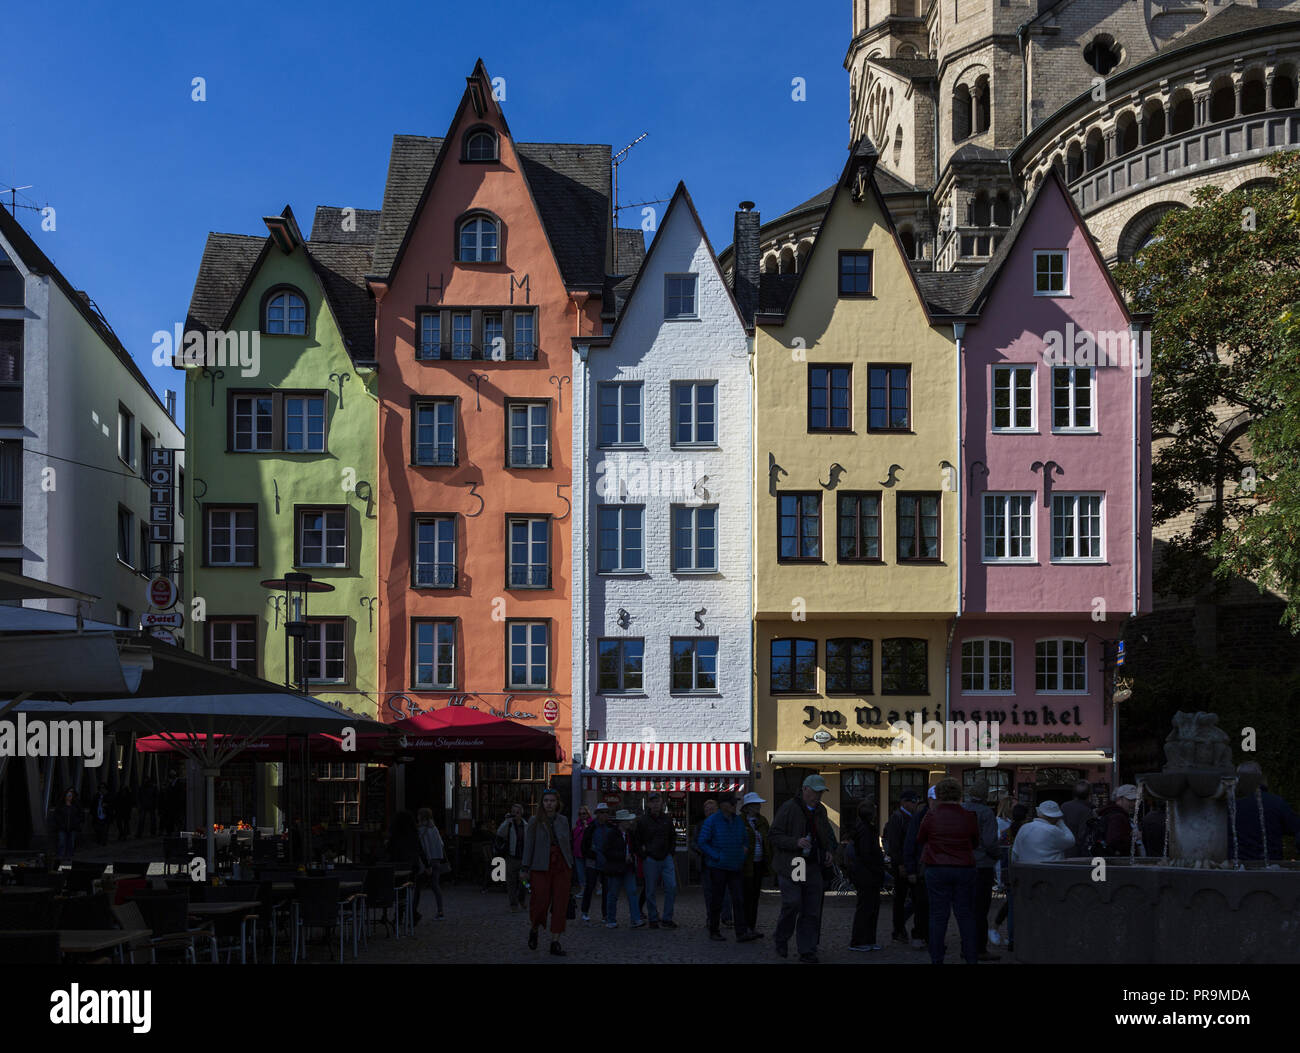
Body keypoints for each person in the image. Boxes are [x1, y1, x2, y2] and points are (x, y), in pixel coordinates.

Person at [769, 773, 838, 963]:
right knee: (792, 903)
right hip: (794, 863)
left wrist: (829, 851)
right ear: (805, 790)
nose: (818, 796)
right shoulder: (789, 808)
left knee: (811, 909)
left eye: (821, 793)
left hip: (813, 864)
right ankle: (781, 938)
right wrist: (795, 842)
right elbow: (774, 835)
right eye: (815, 792)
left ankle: (807, 950)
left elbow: (827, 836)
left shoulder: (821, 811)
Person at [917, 777, 979, 966]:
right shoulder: (969, 816)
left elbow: (921, 839)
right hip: (964, 868)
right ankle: (970, 957)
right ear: (958, 794)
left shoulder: (931, 815)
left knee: (938, 916)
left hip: (937, 867)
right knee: (966, 915)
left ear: (940, 795)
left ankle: (937, 958)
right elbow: (975, 842)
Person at [696, 793, 756, 943]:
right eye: (732, 803)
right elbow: (702, 842)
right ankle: (714, 930)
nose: (735, 805)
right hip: (718, 867)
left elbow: (745, 840)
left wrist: (743, 854)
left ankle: (741, 932)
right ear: (723, 805)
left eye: (735, 803)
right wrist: (717, 856)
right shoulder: (712, 821)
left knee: (738, 899)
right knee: (717, 899)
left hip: (735, 866)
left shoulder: (737, 821)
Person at [523, 789, 574, 956]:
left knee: (560, 904)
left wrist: (571, 865)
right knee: (540, 902)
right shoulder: (534, 821)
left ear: (557, 803)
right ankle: (535, 928)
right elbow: (528, 845)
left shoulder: (563, 820)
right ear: (542, 803)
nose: (549, 804)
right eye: (546, 801)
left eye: (552, 800)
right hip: (540, 866)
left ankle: (555, 941)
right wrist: (525, 867)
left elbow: (567, 845)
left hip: (561, 866)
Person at [961, 776, 1001, 961]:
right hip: (982, 865)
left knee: (965, 909)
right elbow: (990, 841)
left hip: (961, 864)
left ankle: (965, 946)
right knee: (980, 910)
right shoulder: (986, 812)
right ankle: (979, 949)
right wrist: (997, 855)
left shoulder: (961, 809)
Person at [1234, 762, 1300, 862]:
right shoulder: (1276, 803)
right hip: (1272, 865)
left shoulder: (1232, 806)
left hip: (1238, 865)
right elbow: (1296, 828)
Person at [885, 789, 923, 944]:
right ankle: (898, 930)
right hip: (901, 864)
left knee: (915, 899)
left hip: (912, 863)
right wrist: (900, 863)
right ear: (904, 802)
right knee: (900, 899)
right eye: (912, 801)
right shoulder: (897, 818)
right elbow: (894, 844)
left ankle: (902, 928)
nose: (914, 804)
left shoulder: (911, 817)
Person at [634, 793, 678, 929]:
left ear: (661, 803)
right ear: (648, 804)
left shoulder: (667, 819)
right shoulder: (642, 821)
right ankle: (653, 918)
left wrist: (670, 852)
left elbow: (673, 836)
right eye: (653, 802)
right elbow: (637, 841)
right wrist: (643, 855)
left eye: (657, 801)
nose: (655, 804)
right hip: (651, 859)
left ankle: (667, 918)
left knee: (671, 887)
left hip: (666, 858)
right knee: (650, 890)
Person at [848, 800, 886, 951]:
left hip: (869, 873)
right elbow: (866, 854)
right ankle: (859, 941)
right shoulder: (865, 829)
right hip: (867, 874)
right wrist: (877, 867)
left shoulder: (866, 828)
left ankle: (868, 939)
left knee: (872, 907)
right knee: (866, 908)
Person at [901, 786, 935, 949]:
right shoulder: (920, 817)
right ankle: (919, 934)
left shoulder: (929, 816)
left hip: (933, 866)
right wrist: (911, 869)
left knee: (932, 905)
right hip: (922, 867)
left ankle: (929, 935)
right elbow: (910, 845)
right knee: (921, 904)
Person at [694, 798, 733, 928]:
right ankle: (711, 918)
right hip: (706, 864)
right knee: (709, 894)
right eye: (707, 810)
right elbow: (694, 843)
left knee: (725, 892)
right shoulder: (700, 825)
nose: (709, 812)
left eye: (712, 809)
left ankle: (726, 917)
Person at [600, 810, 642, 929]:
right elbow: (606, 851)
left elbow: (635, 848)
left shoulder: (630, 834)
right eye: (628, 820)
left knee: (632, 892)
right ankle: (611, 919)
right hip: (616, 868)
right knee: (613, 894)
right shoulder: (612, 834)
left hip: (628, 867)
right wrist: (623, 856)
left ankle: (635, 918)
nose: (630, 822)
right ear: (621, 822)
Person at [385, 810, 425, 925]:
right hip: (412, 866)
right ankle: (411, 913)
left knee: (400, 891)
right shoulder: (413, 834)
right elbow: (420, 850)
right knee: (411, 890)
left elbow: (389, 851)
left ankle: (400, 916)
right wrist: (426, 865)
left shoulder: (395, 836)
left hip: (398, 866)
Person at [739, 792, 769, 939]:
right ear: (748, 807)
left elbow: (768, 841)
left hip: (759, 863)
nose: (759, 806)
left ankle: (752, 926)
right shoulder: (740, 822)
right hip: (745, 865)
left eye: (759, 804)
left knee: (755, 897)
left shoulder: (762, 821)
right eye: (755, 804)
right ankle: (743, 928)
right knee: (745, 897)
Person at [1011, 800, 1076, 864]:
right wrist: (1061, 823)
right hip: (1049, 871)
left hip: (1025, 870)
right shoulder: (1052, 830)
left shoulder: (1024, 827)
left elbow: (1015, 853)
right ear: (1055, 817)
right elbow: (1071, 841)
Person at [495, 803, 528, 913]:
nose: (515, 815)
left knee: (524, 882)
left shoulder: (526, 825)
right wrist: (506, 822)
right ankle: (513, 904)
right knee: (511, 882)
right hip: (511, 857)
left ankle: (522, 898)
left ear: (521, 813)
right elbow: (500, 833)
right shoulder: (509, 825)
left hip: (523, 858)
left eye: (517, 812)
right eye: (513, 812)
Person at [580, 803, 611, 921]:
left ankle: (605, 913)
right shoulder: (591, 827)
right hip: (593, 861)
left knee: (606, 889)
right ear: (597, 814)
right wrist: (589, 854)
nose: (604, 815)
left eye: (606, 812)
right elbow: (584, 845)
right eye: (602, 812)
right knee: (590, 886)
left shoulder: (610, 827)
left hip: (605, 861)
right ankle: (585, 911)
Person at [416, 807, 446, 919]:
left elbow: (422, 847)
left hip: (426, 861)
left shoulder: (421, 830)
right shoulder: (434, 828)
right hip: (437, 859)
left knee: (416, 886)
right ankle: (440, 911)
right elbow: (441, 844)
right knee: (435, 885)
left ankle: (413, 910)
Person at [1096, 785, 1138, 856]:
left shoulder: (1113, 813)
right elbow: (1114, 842)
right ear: (1119, 799)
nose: (1133, 803)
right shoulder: (1117, 816)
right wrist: (1133, 837)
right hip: (1118, 862)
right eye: (1130, 800)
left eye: (1135, 800)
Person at [1060, 780, 1094, 855]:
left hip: (1063, 849)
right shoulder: (1087, 811)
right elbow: (1083, 835)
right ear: (1089, 795)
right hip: (1077, 851)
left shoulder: (1064, 806)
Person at [50, 788, 84, 862]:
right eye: (68, 795)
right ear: (65, 796)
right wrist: (60, 824)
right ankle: (60, 856)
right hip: (62, 827)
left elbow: (80, 815)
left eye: (70, 795)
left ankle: (69, 856)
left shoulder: (75, 806)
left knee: (71, 843)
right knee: (62, 842)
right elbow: (56, 816)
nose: (69, 797)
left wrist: (76, 823)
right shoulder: (61, 806)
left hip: (72, 828)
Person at [571, 804, 594, 900]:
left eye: (584, 814)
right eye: (580, 814)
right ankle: (583, 889)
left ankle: (594, 887)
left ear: (588, 814)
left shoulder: (591, 824)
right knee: (580, 872)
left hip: (587, 852)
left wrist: (586, 827)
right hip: (577, 852)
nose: (582, 816)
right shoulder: (577, 824)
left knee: (590, 871)